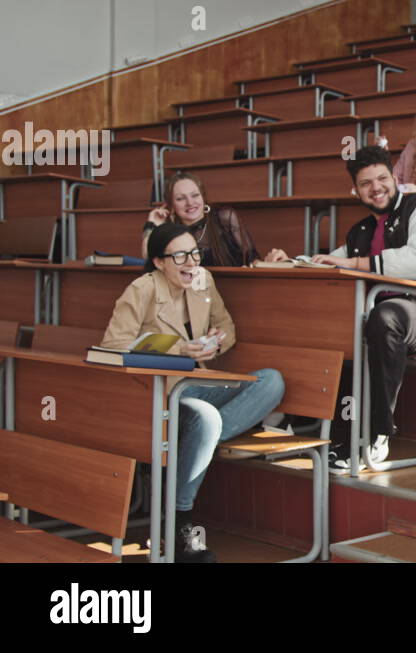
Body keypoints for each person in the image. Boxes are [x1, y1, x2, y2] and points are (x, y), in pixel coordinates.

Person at [102, 223, 285, 561]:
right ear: (159, 262)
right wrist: (177, 351)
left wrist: (214, 344)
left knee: (272, 381)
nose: (191, 262)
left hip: (200, 382)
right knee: (205, 417)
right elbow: (112, 348)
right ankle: (179, 522)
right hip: (160, 394)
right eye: (180, 256)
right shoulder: (141, 290)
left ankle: (195, 442)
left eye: (195, 253)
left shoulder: (204, 281)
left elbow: (227, 327)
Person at [312, 145, 416, 468]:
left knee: (384, 319)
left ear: (394, 177)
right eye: (366, 183)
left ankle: (376, 434)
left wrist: (357, 262)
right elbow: (332, 262)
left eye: (382, 178)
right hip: (384, 312)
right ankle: (335, 432)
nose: (376, 187)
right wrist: (295, 262)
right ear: (356, 190)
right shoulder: (362, 230)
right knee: (338, 322)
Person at [142, 172, 287, 266]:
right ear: (171, 204)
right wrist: (151, 226)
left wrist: (271, 262)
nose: (190, 203)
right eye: (181, 198)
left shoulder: (225, 218)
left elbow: (250, 259)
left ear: (203, 197)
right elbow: (149, 260)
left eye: (195, 195)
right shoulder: (170, 231)